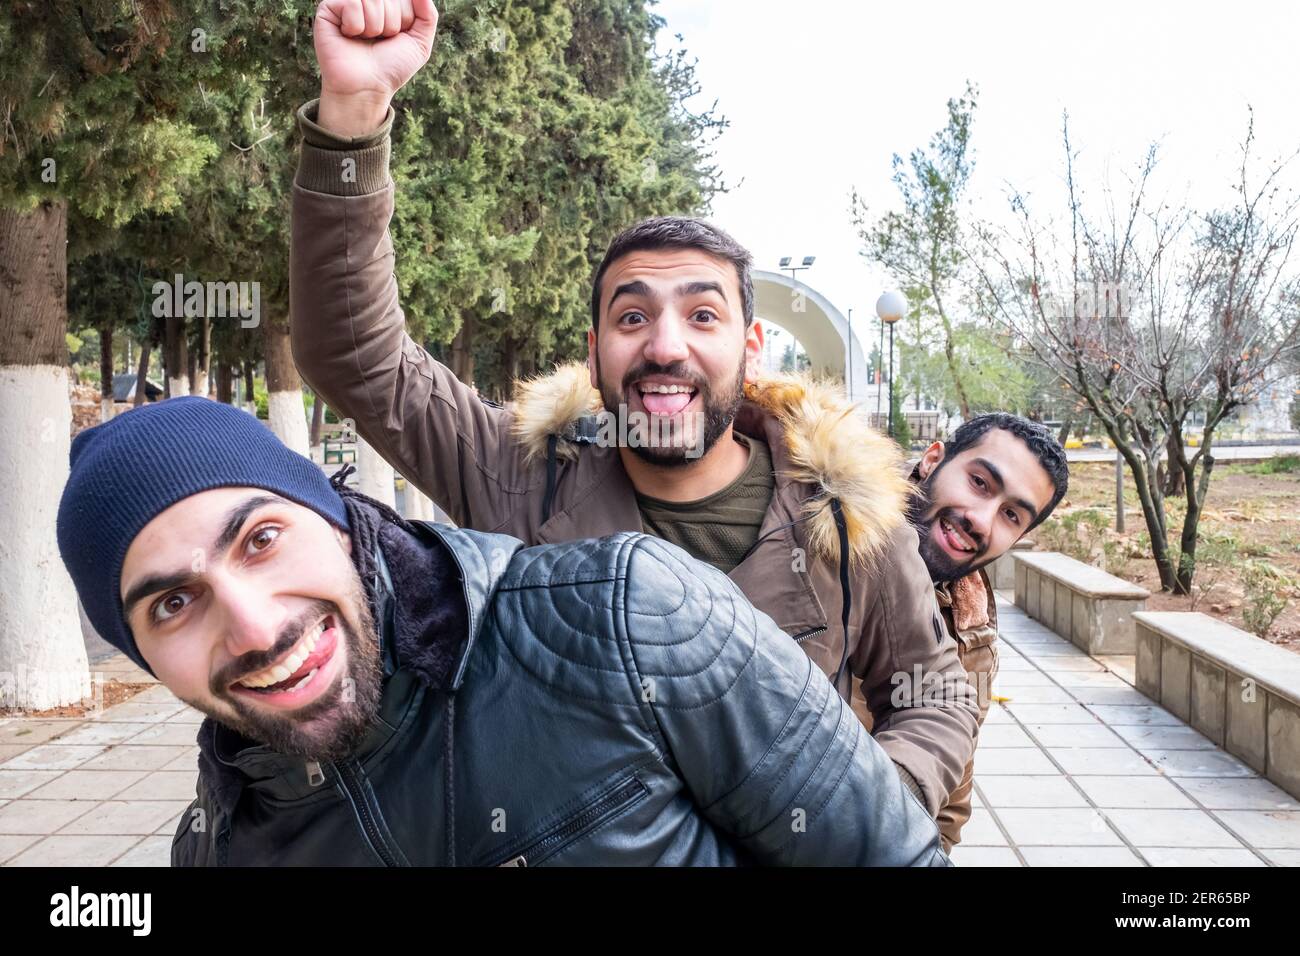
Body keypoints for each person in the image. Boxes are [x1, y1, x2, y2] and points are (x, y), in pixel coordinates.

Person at [289, 0, 979, 819]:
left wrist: (862, 818)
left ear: (751, 347)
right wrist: (354, 120)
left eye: (702, 315)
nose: (664, 346)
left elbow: (932, 693)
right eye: (632, 316)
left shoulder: (847, 516)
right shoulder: (520, 475)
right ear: (594, 350)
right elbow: (354, 355)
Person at [55, 397, 948, 866]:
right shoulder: (219, 848)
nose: (254, 628)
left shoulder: (630, 617)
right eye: (171, 604)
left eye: (261, 539)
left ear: (336, 517)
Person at [906, 413, 1069, 850]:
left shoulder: (970, 626)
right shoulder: (815, 548)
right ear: (932, 459)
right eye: (979, 482)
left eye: (1011, 515)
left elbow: (949, 800)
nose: (981, 520)